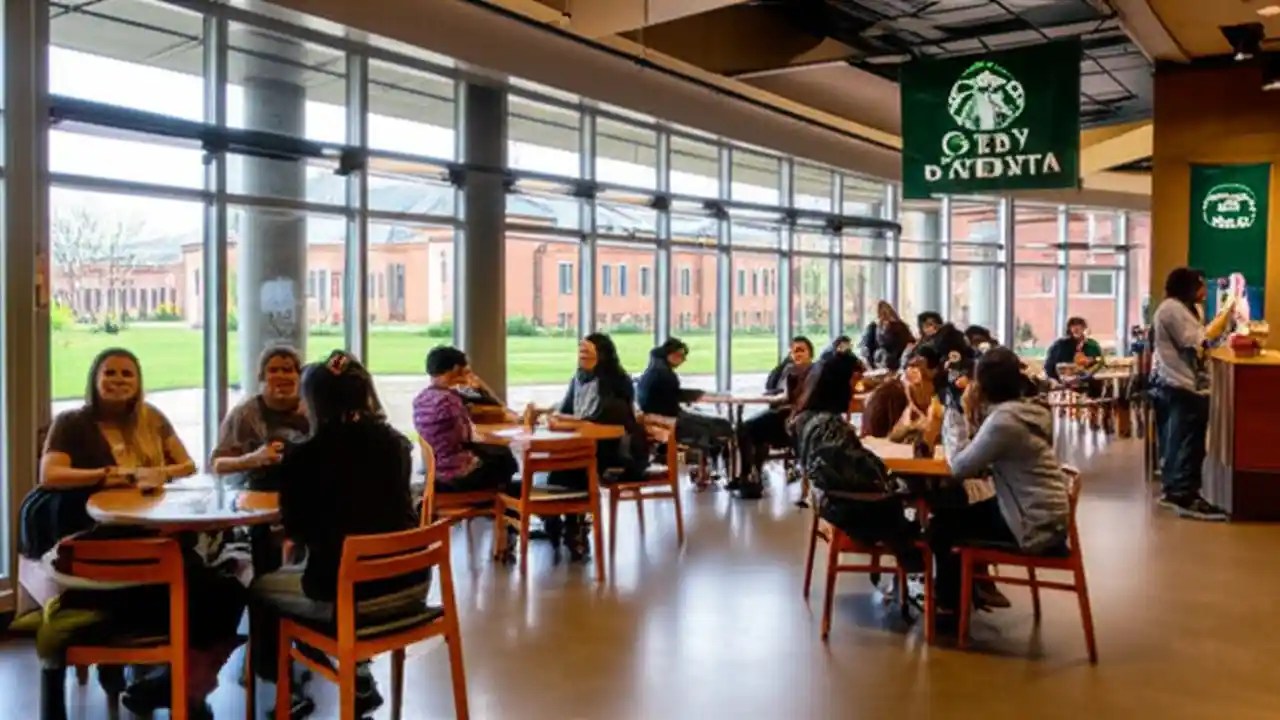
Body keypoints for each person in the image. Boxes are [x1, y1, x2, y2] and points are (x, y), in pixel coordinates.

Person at [17, 348, 238, 720]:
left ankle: (172, 683)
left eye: (127, 375)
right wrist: (109, 475)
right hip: (96, 538)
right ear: (95, 378)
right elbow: (51, 475)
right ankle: (167, 680)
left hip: (149, 528)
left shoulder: (151, 418)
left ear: (138, 383)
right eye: (110, 373)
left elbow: (186, 463)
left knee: (223, 588)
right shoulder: (72, 422)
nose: (118, 381)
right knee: (214, 590)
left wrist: (157, 475)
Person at [251, 350, 422, 719]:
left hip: (345, 597)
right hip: (409, 586)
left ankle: (284, 687)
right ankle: (356, 672)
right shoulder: (396, 445)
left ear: (313, 401)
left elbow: (296, 531)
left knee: (262, 590)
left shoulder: (303, 457)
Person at [928, 347, 1070, 622]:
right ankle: (973, 590)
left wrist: (956, 415)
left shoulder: (1004, 422)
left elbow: (959, 466)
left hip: (1030, 523)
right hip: (1046, 512)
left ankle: (949, 612)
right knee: (956, 510)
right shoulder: (1030, 411)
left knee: (942, 525)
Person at [792, 353, 923, 571]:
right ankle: (920, 571)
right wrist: (891, 479)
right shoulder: (830, 427)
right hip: (854, 511)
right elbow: (860, 475)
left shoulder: (805, 418)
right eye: (853, 382)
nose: (856, 388)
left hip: (828, 503)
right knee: (926, 505)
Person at [550, 333, 650, 558]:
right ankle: (566, 524)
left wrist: (569, 421)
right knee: (562, 466)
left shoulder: (615, 382)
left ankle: (573, 527)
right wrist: (555, 415)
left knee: (571, 468)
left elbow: (605, 421)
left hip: (618, 454)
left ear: (601, 355)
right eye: (580, 352)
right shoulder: (579, 378)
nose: (582, 357)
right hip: (589, 447)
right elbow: (567, 410)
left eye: (587, 353)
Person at [1150, 267, 1233, 520]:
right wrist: (1225, 314)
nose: (1204, 290)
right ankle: (1185, 495)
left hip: (1180, 385)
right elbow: (1199, 341)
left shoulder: (1183, 309)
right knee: (1188, 443)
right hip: (1181, 385)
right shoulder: (1172, 310)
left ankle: (1175, 490)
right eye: (1200, 285)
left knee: (1178, 441)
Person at [413, 345, 517, 493]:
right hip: (455, 474)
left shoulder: (422, 398)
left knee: (500, 460)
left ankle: (503, 505)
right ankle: (502, 507)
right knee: (505, 460)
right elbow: (467, 437)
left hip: (435, 471)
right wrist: (478, 385)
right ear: (456, 369)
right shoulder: (450, 400)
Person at [211, 346, 310, 490]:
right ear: (261, 377)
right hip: (255, 492)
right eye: (273, 370)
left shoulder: (312, 410)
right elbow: (218, 464)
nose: (280, 376)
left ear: (299, 377)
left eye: (287, 370)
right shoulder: (245, 413)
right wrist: (253, 459)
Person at [636, 338, 733, 480]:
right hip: (670, 421)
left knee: (710, 422)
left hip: (657, 419)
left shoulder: (653, 370)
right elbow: (675, 396)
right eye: (680, 355)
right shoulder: (665, 375)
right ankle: (719, 467)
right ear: (670, 355)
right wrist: (698, 394)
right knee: (721, 425)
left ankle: (706, 466)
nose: (682, 360)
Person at [733, 336, 814, 497]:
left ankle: (748, 476)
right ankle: (751, 477)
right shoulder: (789, 369)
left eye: (801, 350)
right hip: (779, 415)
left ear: (810, 353)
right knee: (749, 429)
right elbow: (770, 385)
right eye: (793, 351)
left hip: (795, 420)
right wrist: (784, 363)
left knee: (747, 429)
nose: (797, 354)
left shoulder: (813, 371)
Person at [1044, 317, 1104, 383]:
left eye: (1079, 326)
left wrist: (1091, 363)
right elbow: (1049, 365)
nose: (1076, 329)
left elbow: (1099, 363)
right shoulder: (1060, 345)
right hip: (1063, 381)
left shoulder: (1092, 345)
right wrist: (1056, 380)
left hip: (1087, 381)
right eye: (1073, 326)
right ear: (1069, 329)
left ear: (1084, 328)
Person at [859, 301, 915, 371]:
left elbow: (868, 346)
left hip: (884, 363)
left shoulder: (876, 327)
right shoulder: (902, 326)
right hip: (898, 364)